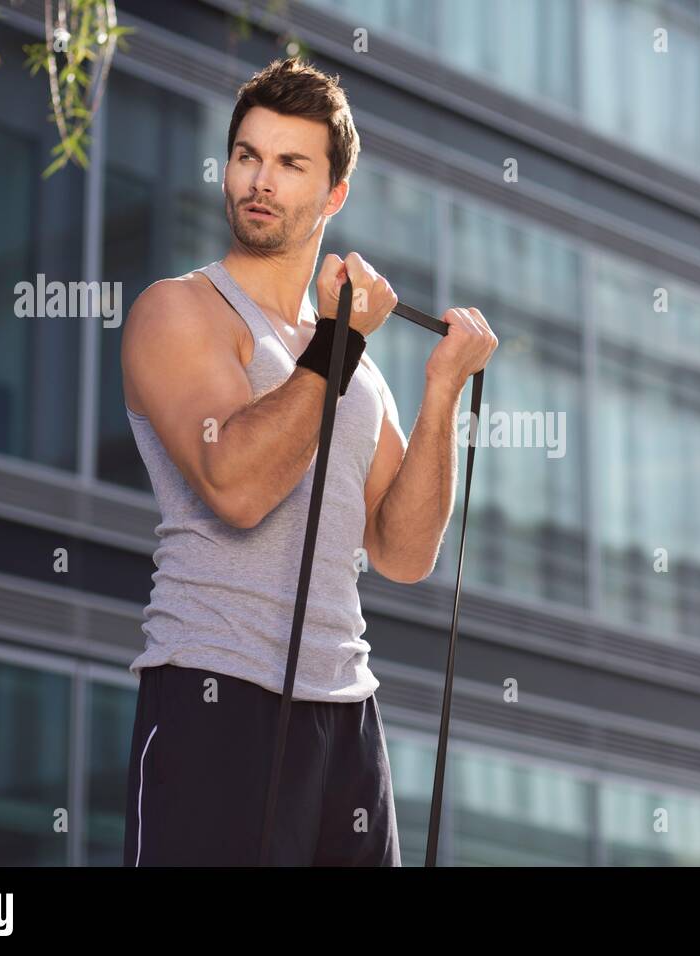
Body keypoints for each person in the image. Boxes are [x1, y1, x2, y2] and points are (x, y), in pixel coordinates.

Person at [118, 56, 497, 866]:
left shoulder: (356, 368)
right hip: (215, 693)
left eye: (291, 164)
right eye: (249, 155)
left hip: (346, 713)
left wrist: (438, 396)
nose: (261, 180)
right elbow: (237, 485)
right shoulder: (179, 310)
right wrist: (339, 340)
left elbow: (402, 552)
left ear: (333, 195)